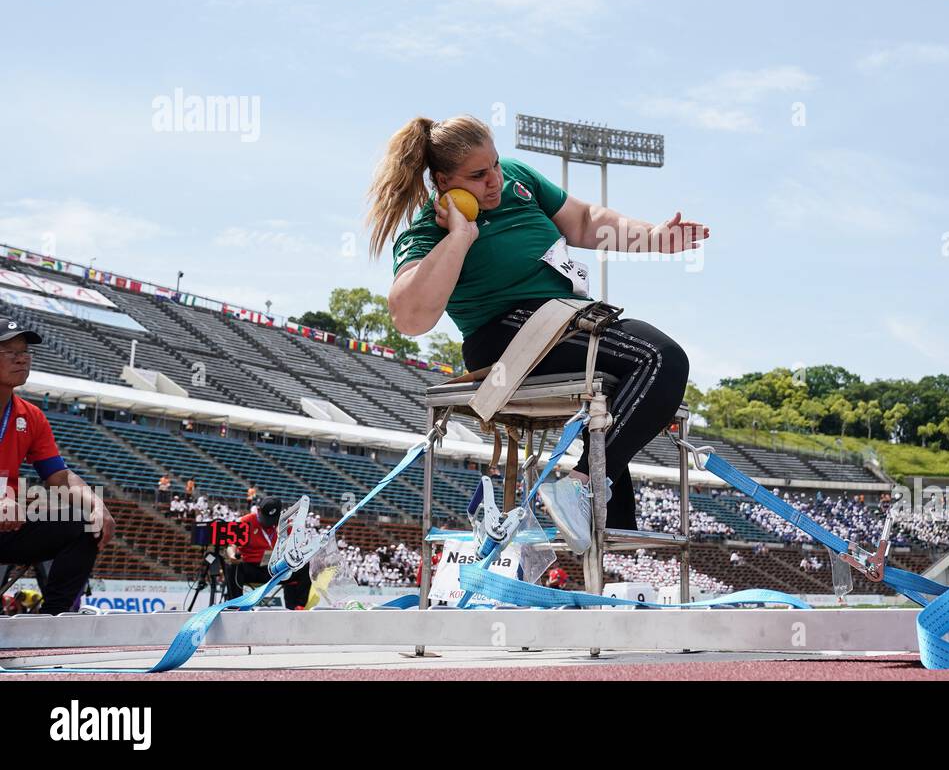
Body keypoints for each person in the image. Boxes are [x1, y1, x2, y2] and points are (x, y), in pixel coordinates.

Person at [370, 115, 706, 553]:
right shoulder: (426, 231)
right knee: (661, 358)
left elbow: (584, 221)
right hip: (507, 335)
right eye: (477, 175)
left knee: (634, 383)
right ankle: (582, 484)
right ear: (443, 181)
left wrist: (654, 238)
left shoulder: (517, 180)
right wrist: (461, 235)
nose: (495, 181)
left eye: (494, 165)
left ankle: (606, 520)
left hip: (567, 319)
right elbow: (410, 317)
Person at [0, 318, 115, 614]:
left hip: (6, 521)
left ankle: (52, 622)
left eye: (25, 351)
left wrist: (96, 504)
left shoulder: (31, 415)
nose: (21, 358)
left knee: (84, 524)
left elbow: (58, 475)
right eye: (8, 351)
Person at [223, 496, 310, 608]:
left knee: (302, 567)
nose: (269, 523)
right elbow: (231, 545)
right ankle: (235, 606)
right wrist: (232, 555)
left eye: (273, 520)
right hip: (253, 568)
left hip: (276, 570)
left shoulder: (284, 524)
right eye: (266, 519)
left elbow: (294, 549)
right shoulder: (245, 521)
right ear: (258, 511)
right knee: (232, 567)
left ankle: (297, 607)